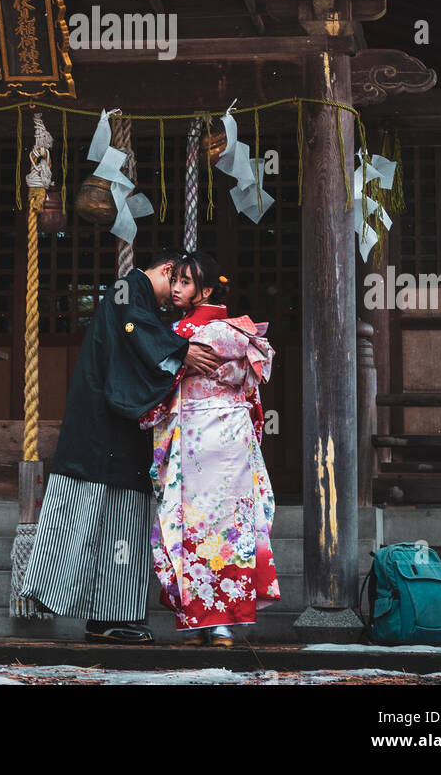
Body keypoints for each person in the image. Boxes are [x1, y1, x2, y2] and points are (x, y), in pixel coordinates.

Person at [19, 250, 222, 643]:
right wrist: (179, 350)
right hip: (99, 424)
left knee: (124, 519)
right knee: (82, 503)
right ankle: (56, 591)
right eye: (174, 284)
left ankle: (111, 616)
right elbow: (134, 326)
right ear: (167, 270)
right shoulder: (127, 290)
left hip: (125, 426)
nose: (172, 296)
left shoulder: (140, 301)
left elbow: (142, 332)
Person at [140, 250, 280, 645]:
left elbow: (158, 387)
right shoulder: (242, 333)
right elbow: (252, 391)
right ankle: (220, 624)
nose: (176, 289)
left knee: (192, 526)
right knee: (231, 527)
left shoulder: (179, 336)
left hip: (194, 436)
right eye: (177, 280)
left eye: (185, 283)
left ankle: (202, 622)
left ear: (203, 291)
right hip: (232, 435)